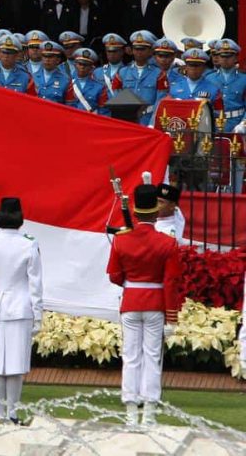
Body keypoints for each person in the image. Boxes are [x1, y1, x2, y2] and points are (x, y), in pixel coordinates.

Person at [106, 183, 183, 426]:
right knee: (152, 357)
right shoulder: (167, 243)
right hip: (155, 302)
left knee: (131, 357)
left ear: (136, 211)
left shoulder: (121, 240)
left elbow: (114, 275)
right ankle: (149, 411)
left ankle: (130, 411)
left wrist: (133, 283)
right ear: (156, 211)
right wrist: (172, 317)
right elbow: (171, 282)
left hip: (131, 300)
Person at [0, 197, 43, 424]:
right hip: (21, 307)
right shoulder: (29, 243)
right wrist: (38, 313)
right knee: (15, 365)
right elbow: (35, 283)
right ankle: (12, 414)